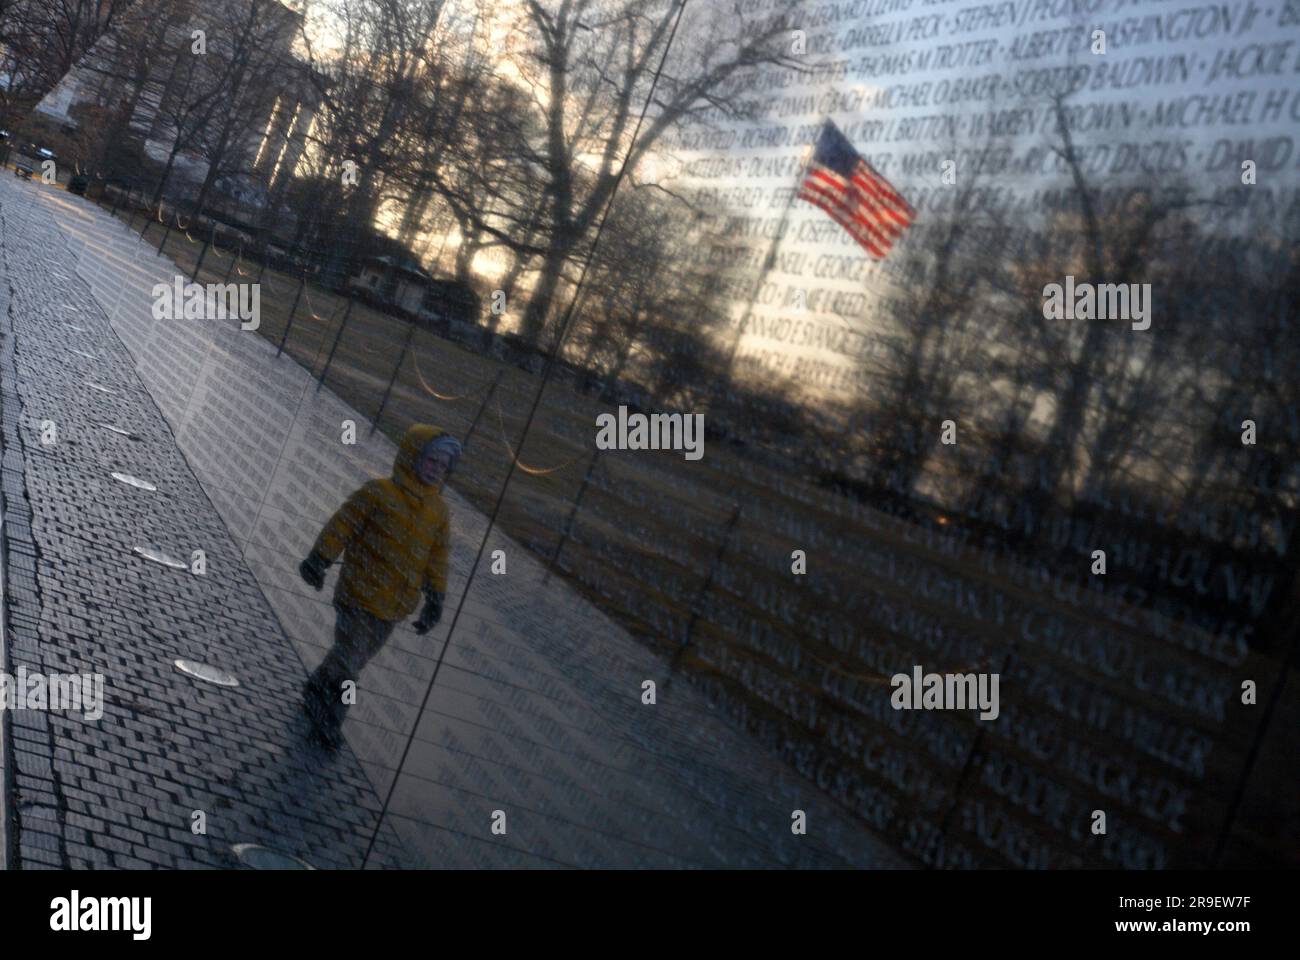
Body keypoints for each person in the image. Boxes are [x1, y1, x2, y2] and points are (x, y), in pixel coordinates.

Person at [298, 423, 461, 749]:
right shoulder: (378, 493)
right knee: (350, 663)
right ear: (412, 458)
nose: (436, 471)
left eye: (443, 466)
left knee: (352, 657)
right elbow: (342, 524)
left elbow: (437, 557)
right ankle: (330, 719)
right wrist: (320, 558)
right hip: (358, 595)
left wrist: (435, 598)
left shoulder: (438, 512)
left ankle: (317, 685)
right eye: (431, 462)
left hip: (395, 606)